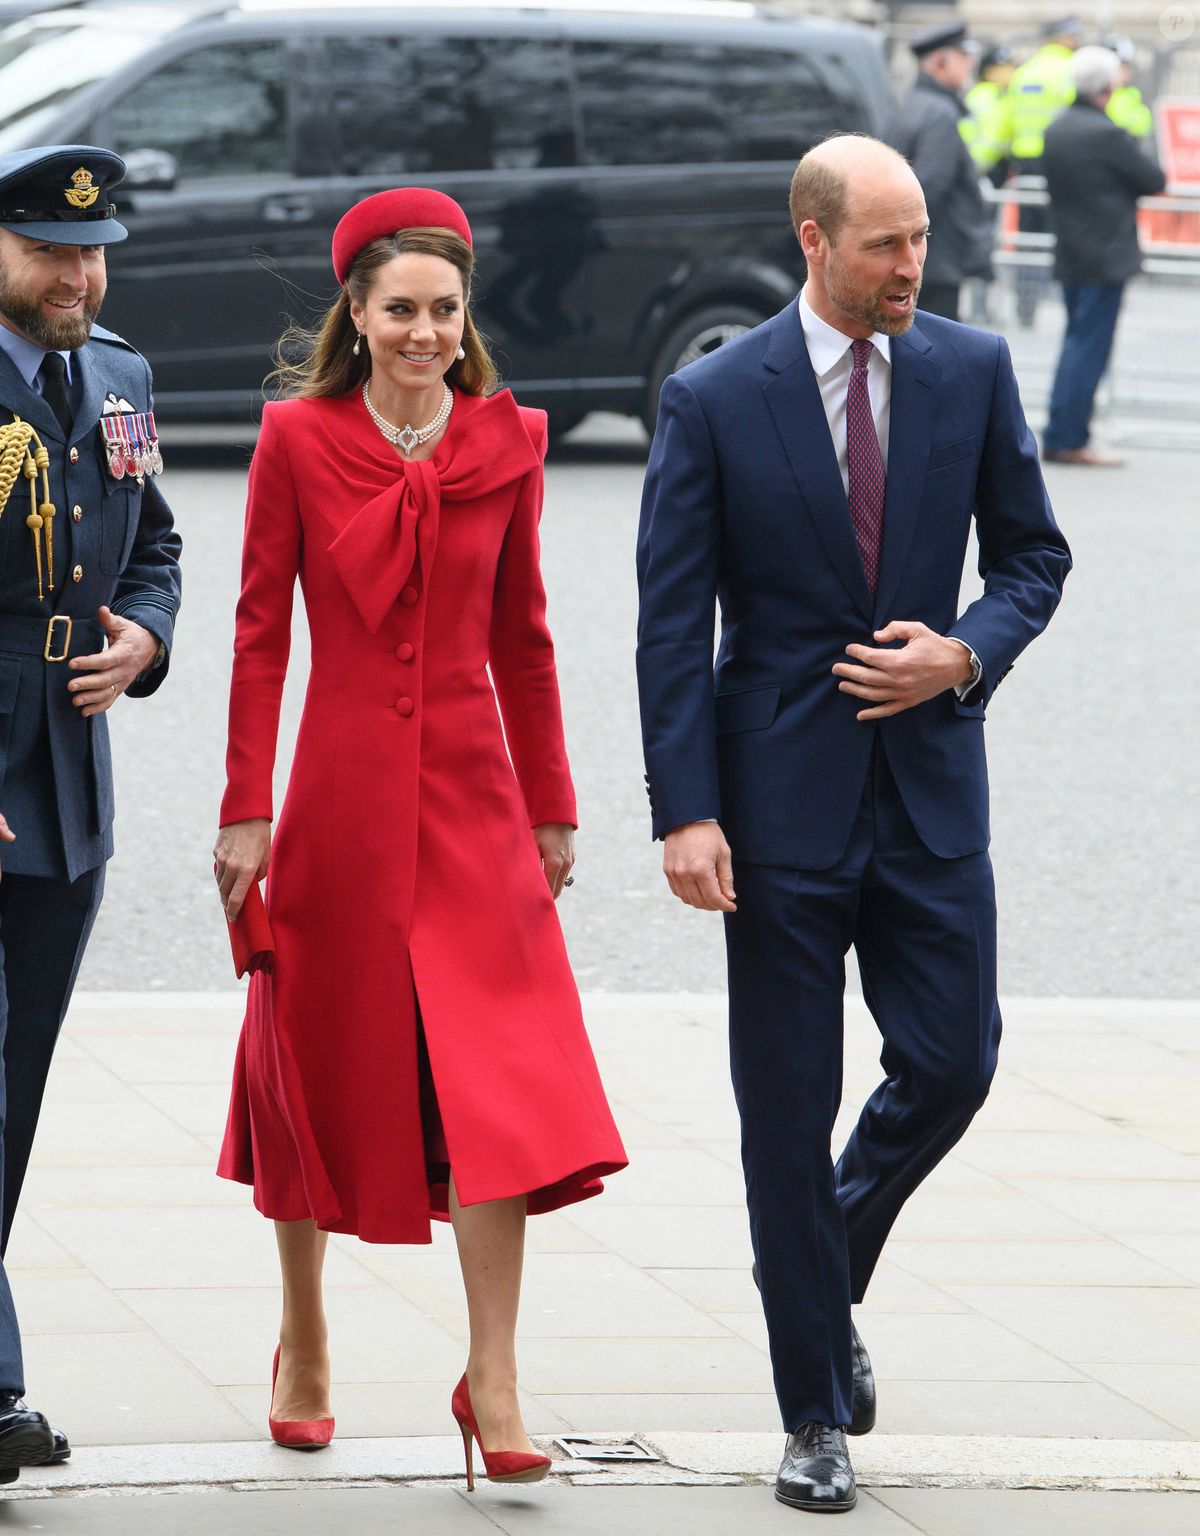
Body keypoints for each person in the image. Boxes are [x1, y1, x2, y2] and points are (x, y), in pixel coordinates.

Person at [636, 135, 1071, 1513]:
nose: (912, 266)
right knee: (784, 1110)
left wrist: (966, 650)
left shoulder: (968, 368)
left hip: (932, 787)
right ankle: (811, 1411)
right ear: (813, 240)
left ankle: (814, 1263)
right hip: (772, 811)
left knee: (953, 1063)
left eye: (921, 240)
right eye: (885, 243)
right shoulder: (713, 396)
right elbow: (668, 626)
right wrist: (687, 812)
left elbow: (1034, 557)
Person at [213, 187, 626, 1484]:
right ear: (356, 309)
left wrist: (553, 802)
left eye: (446, 311)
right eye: (402, 310)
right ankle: (303, 1333)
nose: (427, 333)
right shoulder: (296, 438)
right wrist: (244, 809)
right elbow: (259, 637)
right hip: (332, 804)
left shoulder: (512, 443)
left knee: (492, 1078)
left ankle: (491, 1373)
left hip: (473, 802)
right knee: (312, 1061)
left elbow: (527, 636)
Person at [0, 145, 181, 1481]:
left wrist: (147, 640)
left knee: (18, 1093)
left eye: (96, 249)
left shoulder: (115, 373)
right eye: (54, 252)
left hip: (66, 770)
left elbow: (157, 542)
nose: (80, 272)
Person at [1041, 47, 1166, 467]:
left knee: (1075, 344)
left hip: (1071, 253)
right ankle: (1070, 438)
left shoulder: (1056, 129)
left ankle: (1060, 431)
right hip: (1105, 255)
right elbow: (1153, 178)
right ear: (1107, 86)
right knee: (1088, 350)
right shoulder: (1107, 133)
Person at [884, 21, 992, 322]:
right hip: (935, 260)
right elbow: (929, 189)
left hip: (919, 258)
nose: (970, 64)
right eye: (963, 56)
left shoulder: (913, 104)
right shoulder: (939, 113)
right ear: (941, 61)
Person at [1004, 16, 1083, 326]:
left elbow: (1008, 121)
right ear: (1064, 38)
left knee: (1027, 233)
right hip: (1060, 162)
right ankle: (1057, 296)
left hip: (1025, 160)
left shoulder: (1024, 72)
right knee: (1057, 231)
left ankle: (1026, 302)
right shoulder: (1071, 70)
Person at [1104, 38, 1154, 142]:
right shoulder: (1099, 95)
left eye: (1127, 65)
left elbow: (1143, 127)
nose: (1127, 71)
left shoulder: (1132, 95)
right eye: (1122, 65)